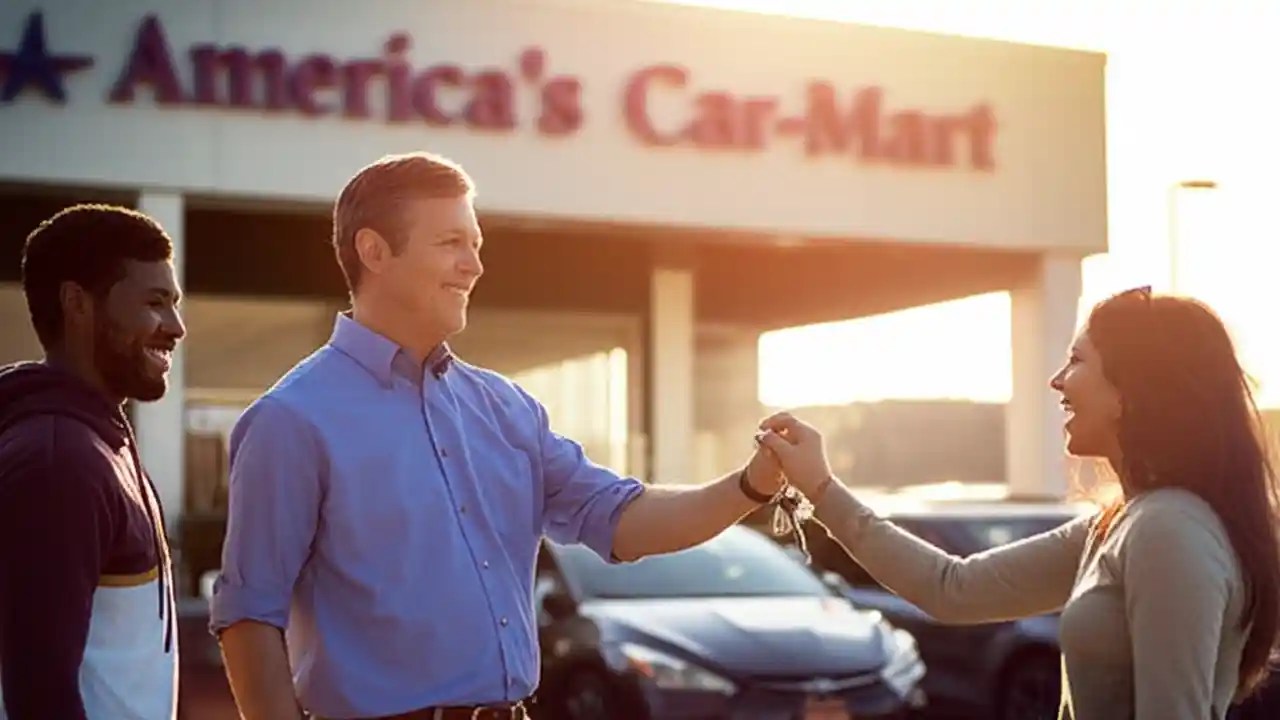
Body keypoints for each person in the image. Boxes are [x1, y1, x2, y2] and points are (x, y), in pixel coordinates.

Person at [209, 151, 786, 720]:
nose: (474, 266)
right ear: (374, 251)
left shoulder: (507, 410)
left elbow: (623, 519)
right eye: (450, 243)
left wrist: (751, 485)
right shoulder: (291, 420)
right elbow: (248, 616)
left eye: (476, 246)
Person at [758, 286, 1280, 720]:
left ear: (1129, 393)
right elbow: (952, 589)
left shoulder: (1169, 530)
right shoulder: (1120, 524)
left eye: (1077, 360)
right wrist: (821, 490)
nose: (1057, 380)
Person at [0, 204, 186, 719]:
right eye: (155, 302)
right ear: (76, 303)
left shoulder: (96, 442)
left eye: (174, 303)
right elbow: (39, 697)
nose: (176, 327)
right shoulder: (58, 463)